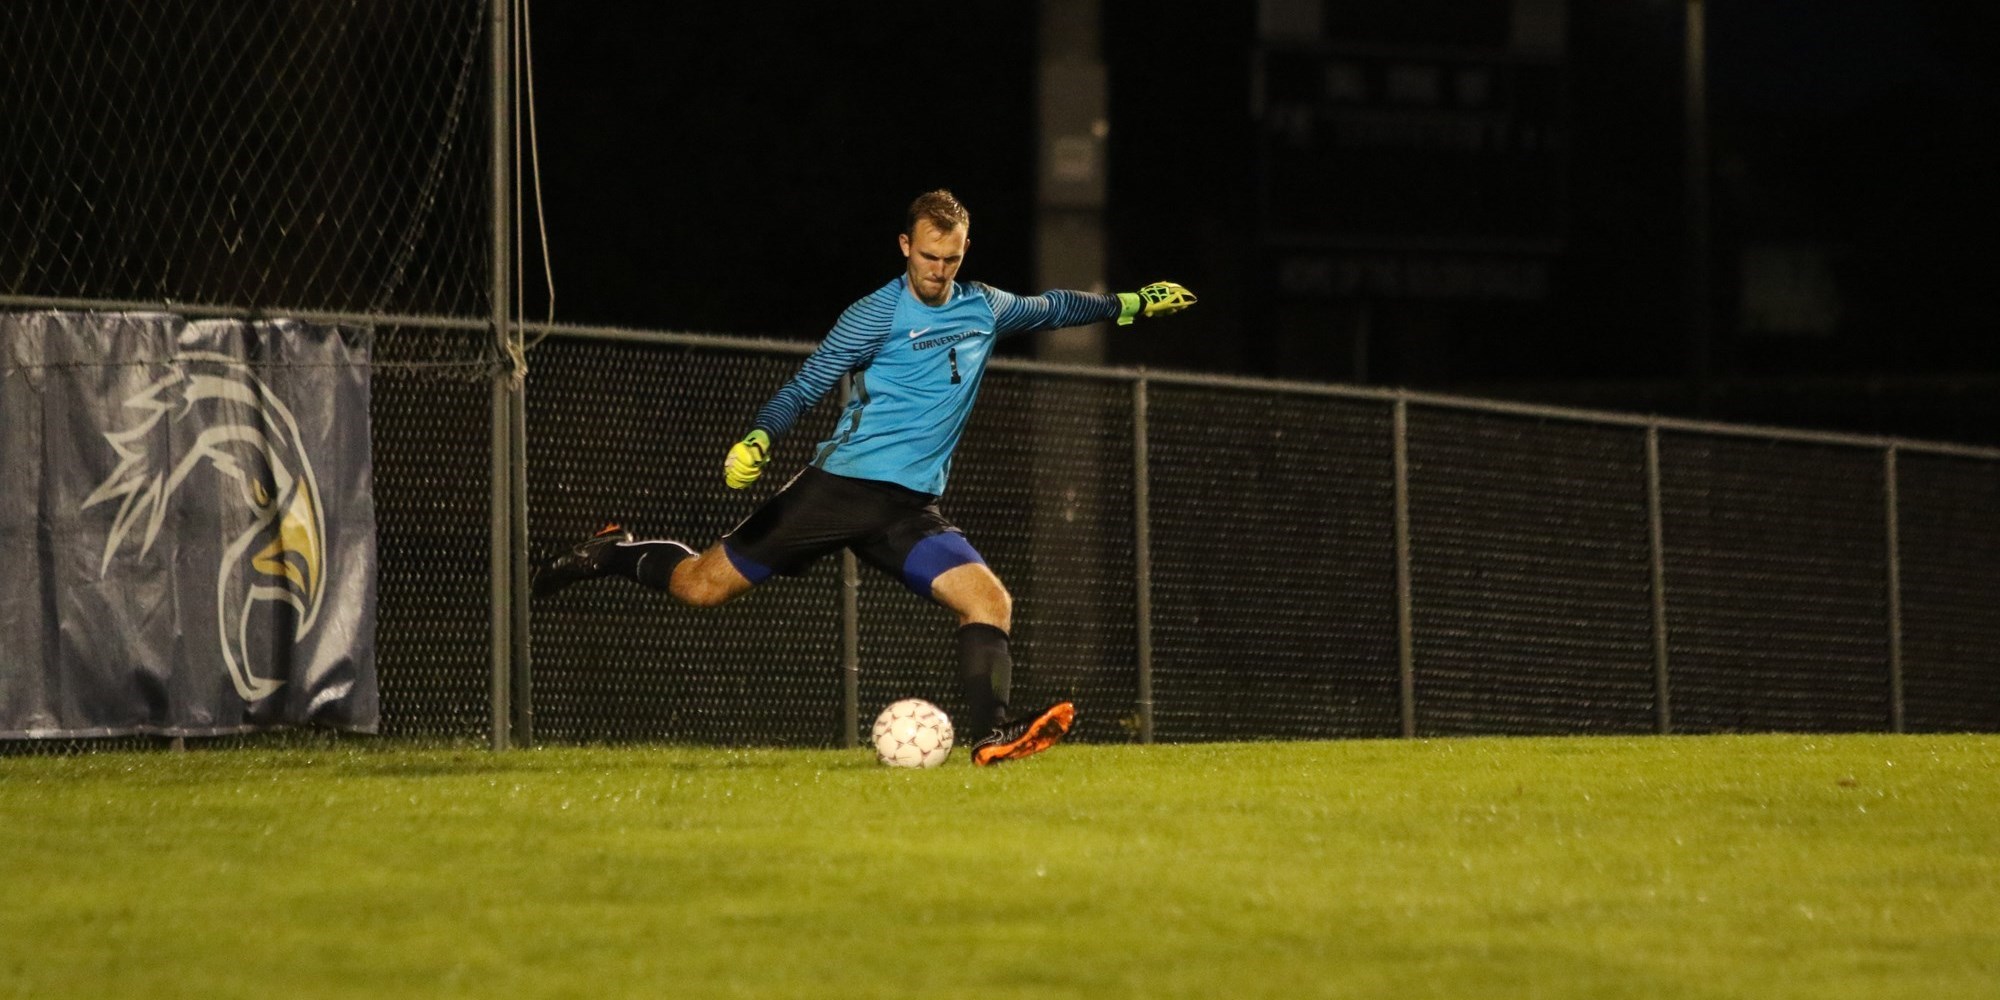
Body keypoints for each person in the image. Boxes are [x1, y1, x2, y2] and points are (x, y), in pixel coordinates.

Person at [533, 189, 1195, 765]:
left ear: (965, 251)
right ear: (905, 245)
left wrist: (1134, 303)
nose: (938, 271)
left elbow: (1053, 306)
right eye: (927, 256)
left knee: (989, 601)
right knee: (701, 588)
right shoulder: (874, 315)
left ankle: (992, 736)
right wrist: (761, 434)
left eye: (952, 258)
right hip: (837, 489)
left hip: (910, 510)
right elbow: (807, 384)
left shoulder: (982, 308)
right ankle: (613, 553)